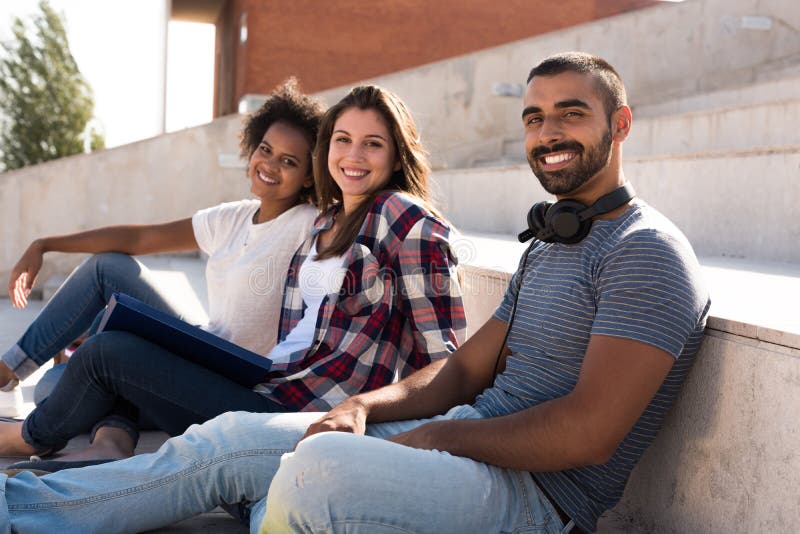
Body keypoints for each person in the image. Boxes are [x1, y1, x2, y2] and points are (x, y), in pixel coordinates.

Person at [0, 52, 709, 534]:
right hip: (463, 443)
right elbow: (464, 368)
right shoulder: (552, 243)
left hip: (536, 499)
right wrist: (365, 410)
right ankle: (16, 505)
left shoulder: (645, 252)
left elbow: (589, 433)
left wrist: (438, 437)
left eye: (570, 114)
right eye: (534, 118)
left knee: (310, 476)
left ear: (620, 124)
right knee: (230, 439)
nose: (548, 133)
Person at [0, 84, 466, 469]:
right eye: (343, 139)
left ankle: (27, 438)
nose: (354, 154)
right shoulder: (325, 226)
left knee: (103, 355)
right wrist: (47, 242)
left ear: (396, 155)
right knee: (72, 372)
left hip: (292, 411)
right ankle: (104, 437)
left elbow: (445, 360)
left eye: (373, 143)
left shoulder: (395, 218)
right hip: (264, 381)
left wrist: (375, 418)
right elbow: (143, 238)